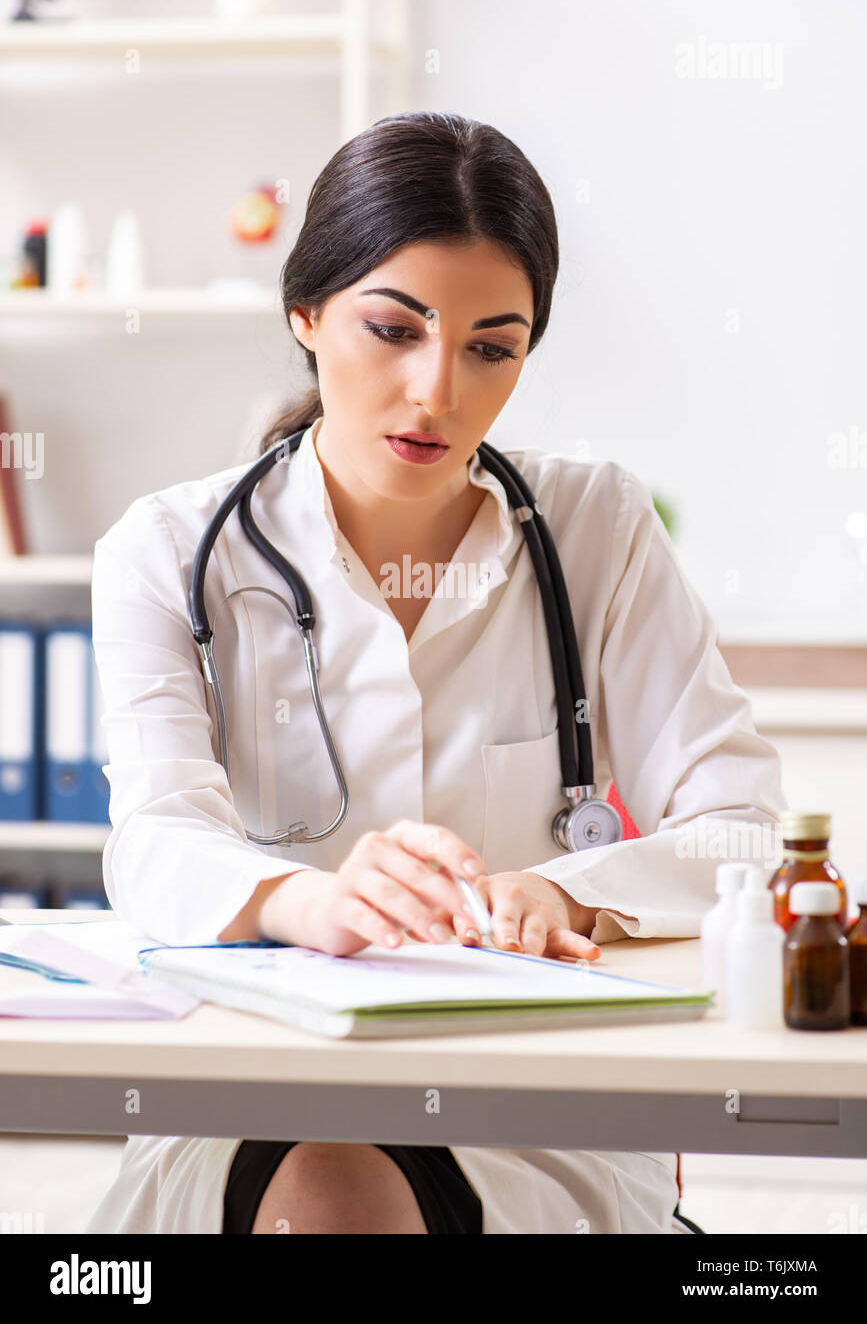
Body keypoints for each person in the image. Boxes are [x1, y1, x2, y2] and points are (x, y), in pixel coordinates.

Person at [84, 110, 786, 1234]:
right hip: (257, 1083)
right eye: (393, 328)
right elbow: (154, 838)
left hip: (536, 1105)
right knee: (330, 1186)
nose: (436, 391)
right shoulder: (165, 552)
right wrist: (310, 902)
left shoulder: (595, 526)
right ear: (305, 314)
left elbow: (743, 830)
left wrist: (564, 892)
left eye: (489, 346)